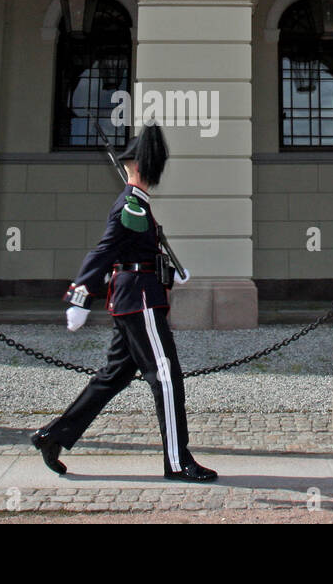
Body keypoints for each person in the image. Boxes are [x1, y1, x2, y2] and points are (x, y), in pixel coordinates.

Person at [30, 124, 217, 482]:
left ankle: (54, 435)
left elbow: (139, 250)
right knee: (166, 377)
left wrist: (171, 271)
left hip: (139, 296)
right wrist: (80, 296)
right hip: (140, 300)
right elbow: (106, 249)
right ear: (138, 166)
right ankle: (178, 461)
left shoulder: (140, 205)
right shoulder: (130, 204)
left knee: (112, 377)